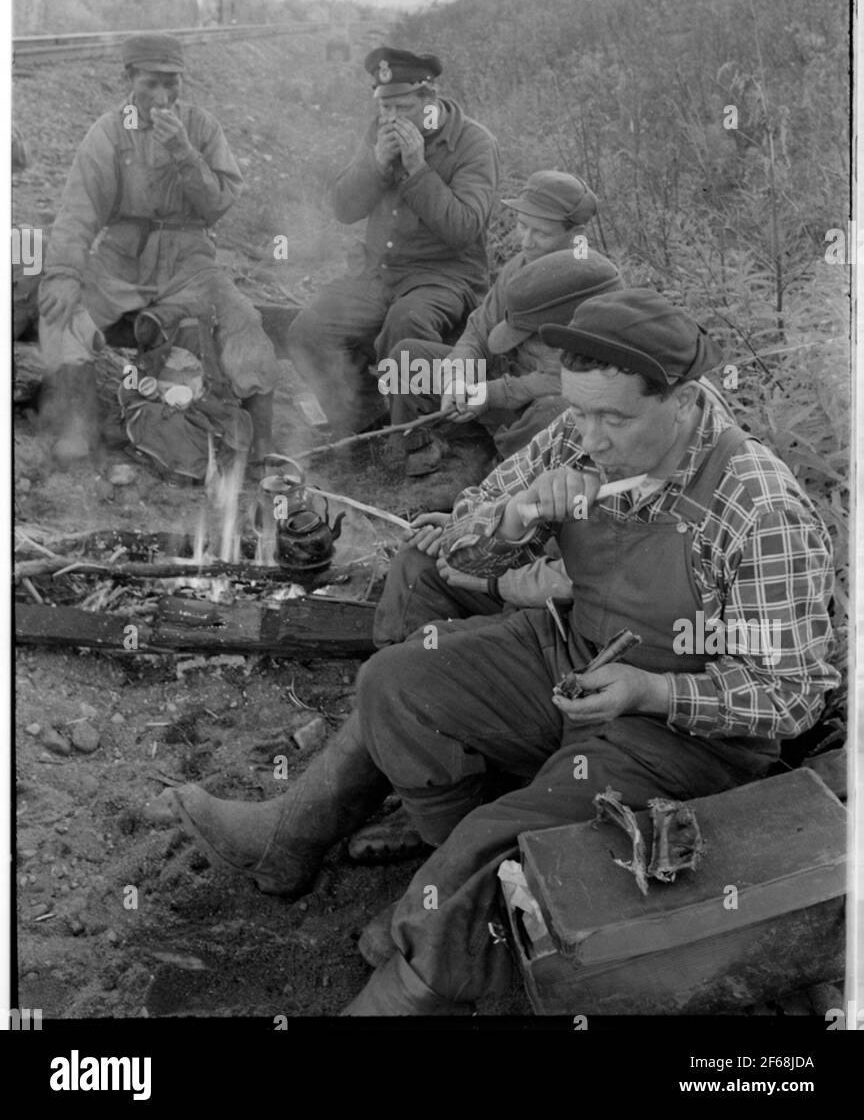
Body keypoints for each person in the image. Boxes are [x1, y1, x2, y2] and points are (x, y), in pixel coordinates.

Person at [163, 289, 839, 1015]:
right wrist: (517, 517)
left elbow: (792, 693)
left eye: (614, 418)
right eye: (579, 411)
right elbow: (466, 541)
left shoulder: (757, 506)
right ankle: (313, 850)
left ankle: (434, 946)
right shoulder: (579, 435)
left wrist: (651, 692)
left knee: (492, 842)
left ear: (682, 402)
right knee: (396, 683)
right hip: (572, 656)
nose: (592, 436)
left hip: (682, 733)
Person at [37, 32, 278, 468]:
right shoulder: (110, 131)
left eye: (173, 83)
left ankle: (263, 442)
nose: (163, 95)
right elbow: (78, 211)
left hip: (190, 261)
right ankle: (77, 426)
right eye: (152, 83)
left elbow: (219, 205)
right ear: (131, 79)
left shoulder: (201, 127)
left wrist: (183, 152)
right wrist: (66, 273)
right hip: (121, 258)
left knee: (244, 321)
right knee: (62, 315)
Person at [285, 47, 500, 436]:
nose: (391, 119)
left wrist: (418, 169)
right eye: (384, 108)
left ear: (429, 99)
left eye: (402, 107)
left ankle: (417, 438)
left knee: (406, 324)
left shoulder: (473, 143)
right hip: (378, 275)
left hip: (445, 278)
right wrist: (376, 166)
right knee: (308, 330)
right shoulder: (377, 132)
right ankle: (366, 416)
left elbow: (463, 228)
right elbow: (344, 209)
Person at [383, 242, 622, 476]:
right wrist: (457, 377)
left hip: (532, 408)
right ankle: (427, 447)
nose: (528, 239)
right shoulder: (521, 273)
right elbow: (478, 332)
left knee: (554, 412)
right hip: (503, 382)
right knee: (408, 356)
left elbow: (563, 383)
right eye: (524, 225)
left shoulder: (594, 313)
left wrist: (491, 394)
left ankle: (501, 476)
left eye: (540, 231)